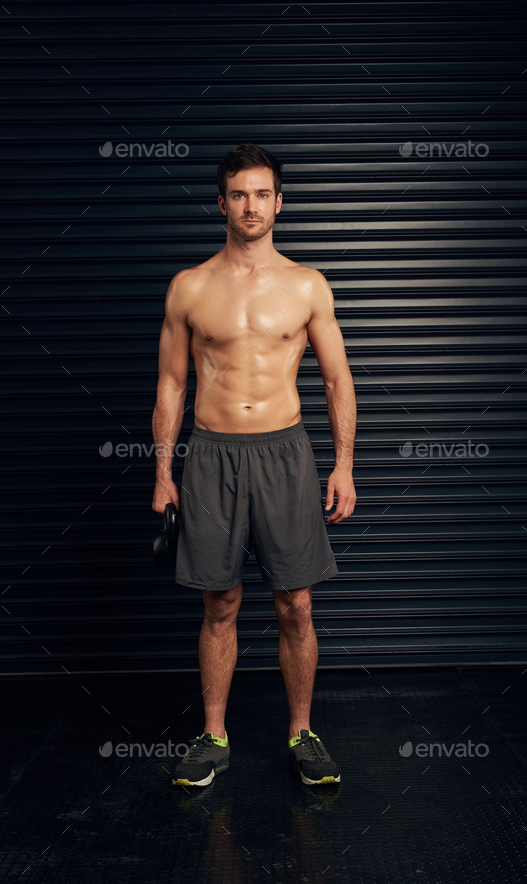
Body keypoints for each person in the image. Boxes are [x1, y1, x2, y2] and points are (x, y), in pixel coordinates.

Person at [151, 143, 357, 787]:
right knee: (220, 603)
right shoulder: (189, 286)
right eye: (239, 194)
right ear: (222, 203)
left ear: (278, 203)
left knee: (295, 604)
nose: (251, 205)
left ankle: (303, 732)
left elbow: (337, 381)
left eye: (262, 194)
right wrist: (162, 472)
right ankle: (213, 736)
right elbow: (171, 387)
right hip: (211, 456)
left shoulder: (306, 285)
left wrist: (343, 463)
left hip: (285, 454)